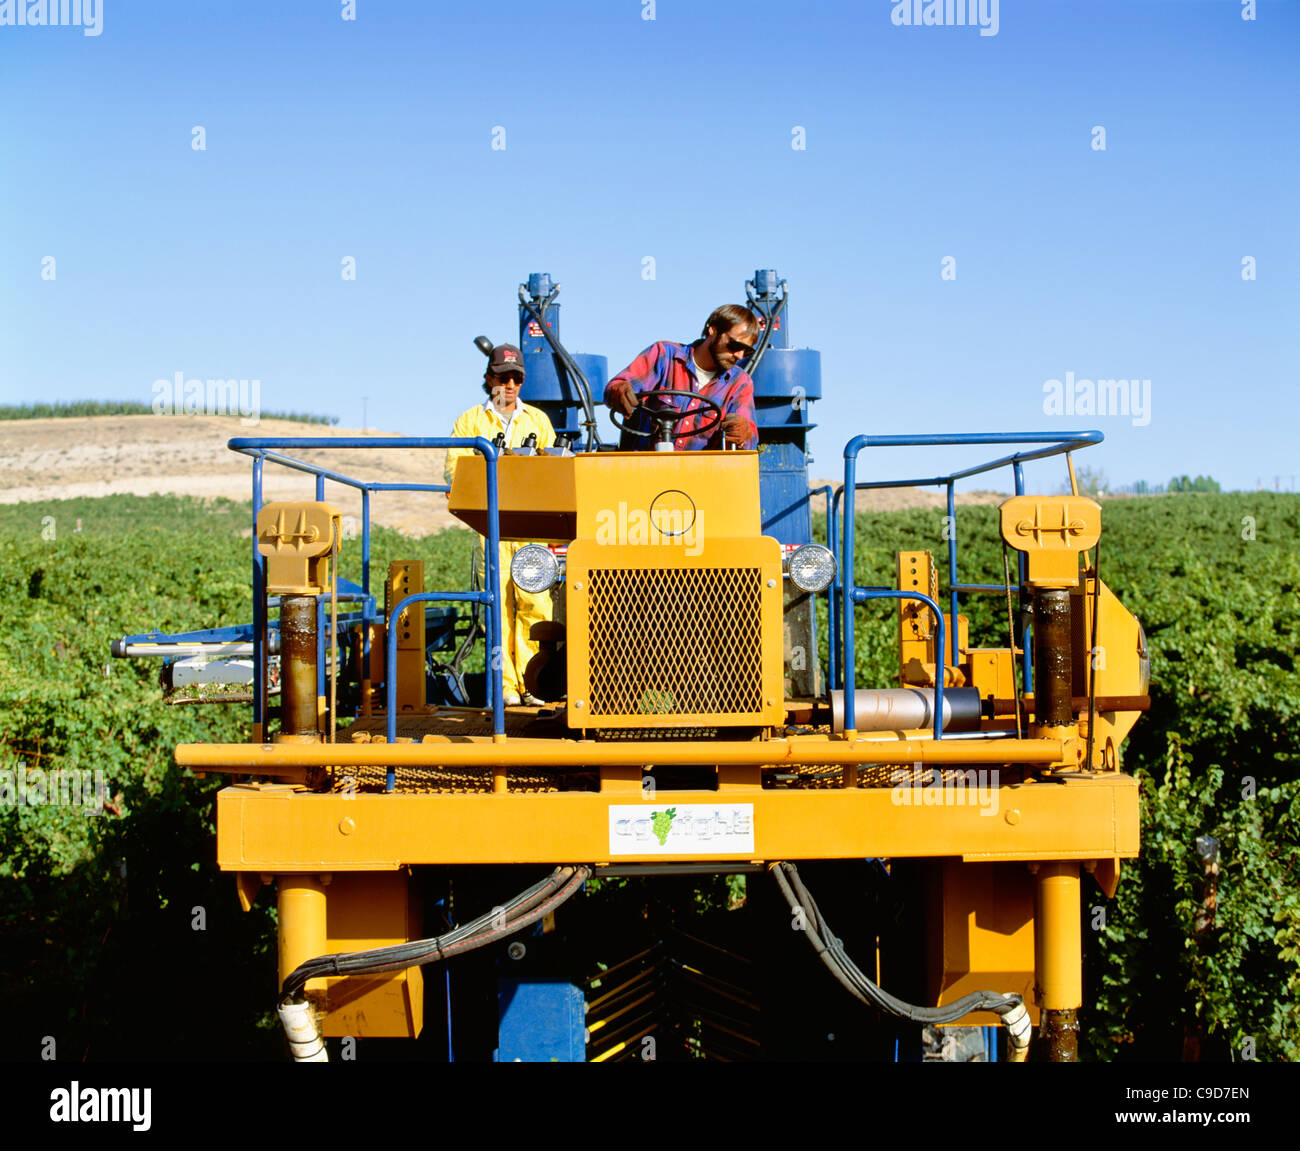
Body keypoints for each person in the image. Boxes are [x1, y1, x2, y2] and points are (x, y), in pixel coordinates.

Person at [444, 343, 555, 707]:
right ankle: (505, 688)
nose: (509, 385)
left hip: (529, 527)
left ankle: (534, 683)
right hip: (490, 530)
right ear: (489, 378)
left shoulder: (538, 421)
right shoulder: (469, 422)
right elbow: (455, 472)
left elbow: (552, 470)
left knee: (535, 605)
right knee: (497, 608)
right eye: (502, 377)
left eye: (516, 378)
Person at [605, 304, 761, 451]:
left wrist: (744, 433)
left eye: (746, 352)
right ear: (713, 331)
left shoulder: (740, 382)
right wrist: (620, 391)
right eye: (735, 346)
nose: (739, 355)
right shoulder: (664, 356)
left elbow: (750, 437)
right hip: (643, 469)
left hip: (699, 475)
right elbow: (617, 387)